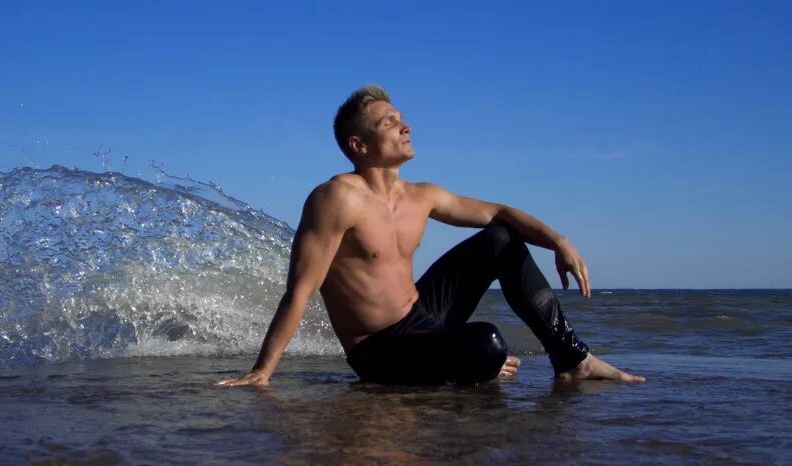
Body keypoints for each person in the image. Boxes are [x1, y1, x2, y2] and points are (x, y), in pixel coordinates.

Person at [215, 85, 644, 387]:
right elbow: (301, 290)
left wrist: (559, 241)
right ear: (359, 145)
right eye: (390, 123)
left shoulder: (422, 196)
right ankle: (471, 360)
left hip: (423, 318)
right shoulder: (335, 199)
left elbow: (497, 212)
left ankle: (572, 361)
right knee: (486, 344)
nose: (406, 127)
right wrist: (263, 371)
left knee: (501, 239)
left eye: (401, 119)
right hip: (378, 350)